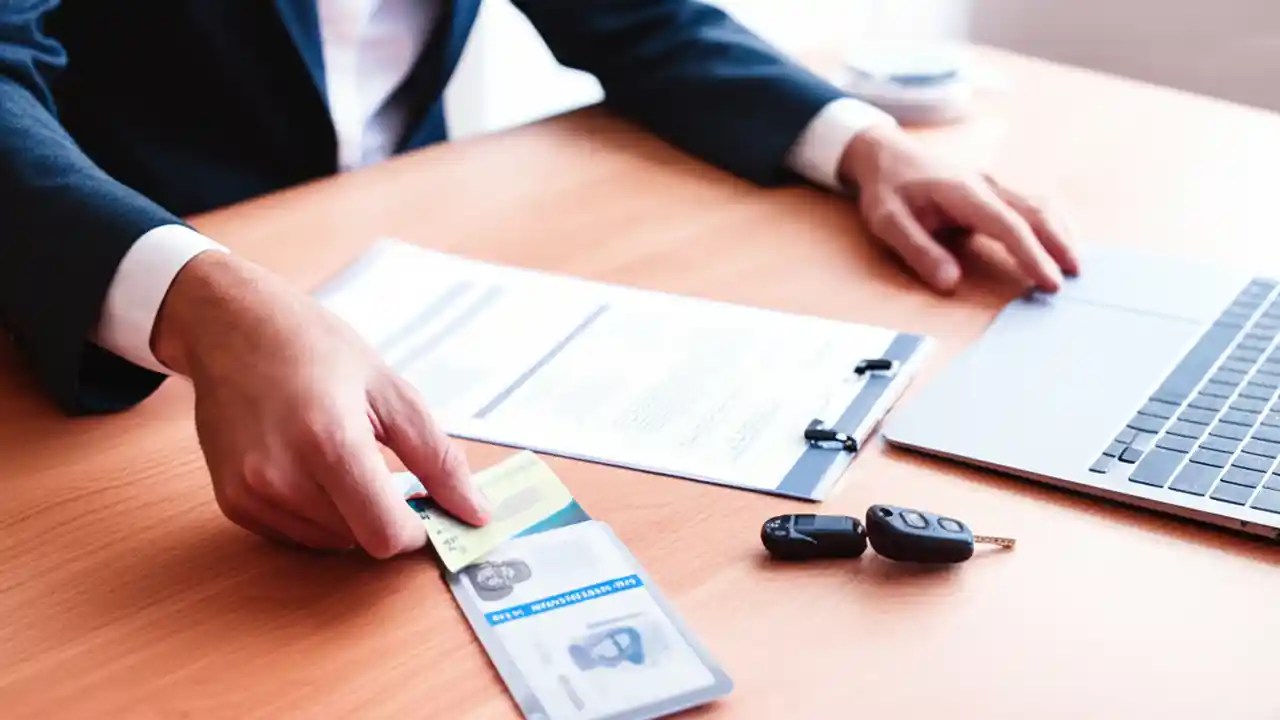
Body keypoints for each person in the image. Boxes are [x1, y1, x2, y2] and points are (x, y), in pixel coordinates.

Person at [0, 2, 1077, 559]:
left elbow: (640, 19)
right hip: (97, 315)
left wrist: (861, 143)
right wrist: (200, 299)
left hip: (403, 269)